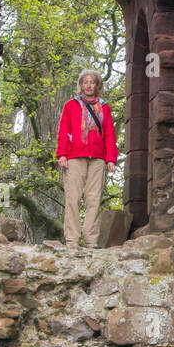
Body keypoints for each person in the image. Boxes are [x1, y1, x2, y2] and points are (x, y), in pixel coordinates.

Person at [56, 69, 117, 247]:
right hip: (75, 156)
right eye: (85, 82)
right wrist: (62, 154)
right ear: (81, 85)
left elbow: (110, 135)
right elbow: (63, 131)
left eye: (92, 82)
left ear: (98, 85)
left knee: (93, 199)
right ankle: (72, 240)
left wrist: (111, 158)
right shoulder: (71, 106)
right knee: (73, 198)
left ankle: (91, 240)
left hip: (98, 157)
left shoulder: (104, 108)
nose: (89, 85)